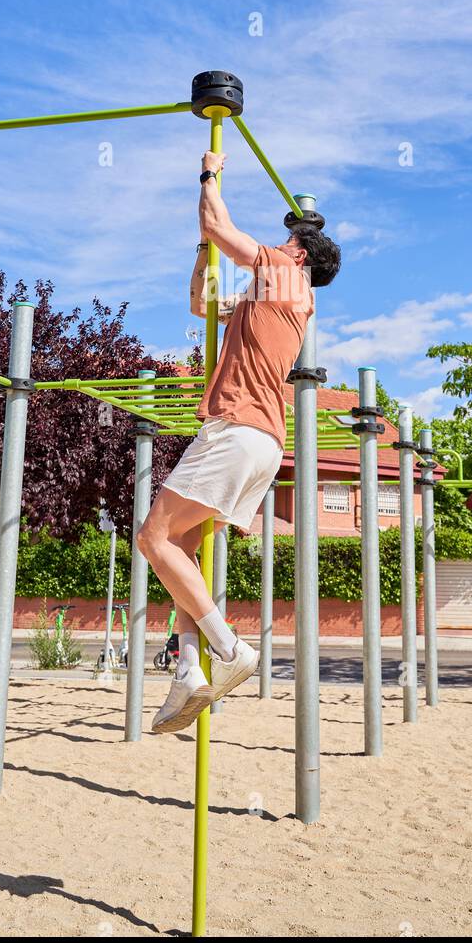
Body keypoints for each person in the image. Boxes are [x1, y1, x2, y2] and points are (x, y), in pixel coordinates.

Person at [136, 148, 341, 733]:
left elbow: (219, 224)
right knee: (184, 547)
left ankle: (229, 649)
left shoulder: (284, 275)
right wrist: (204, 256)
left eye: (289, 240)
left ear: (299, 255)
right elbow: (201, 303)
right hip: (262, 444)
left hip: (237, 428)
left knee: (153, 538)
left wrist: (208, 173)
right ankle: (187, 673)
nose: (281, 244)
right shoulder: (269, 301)